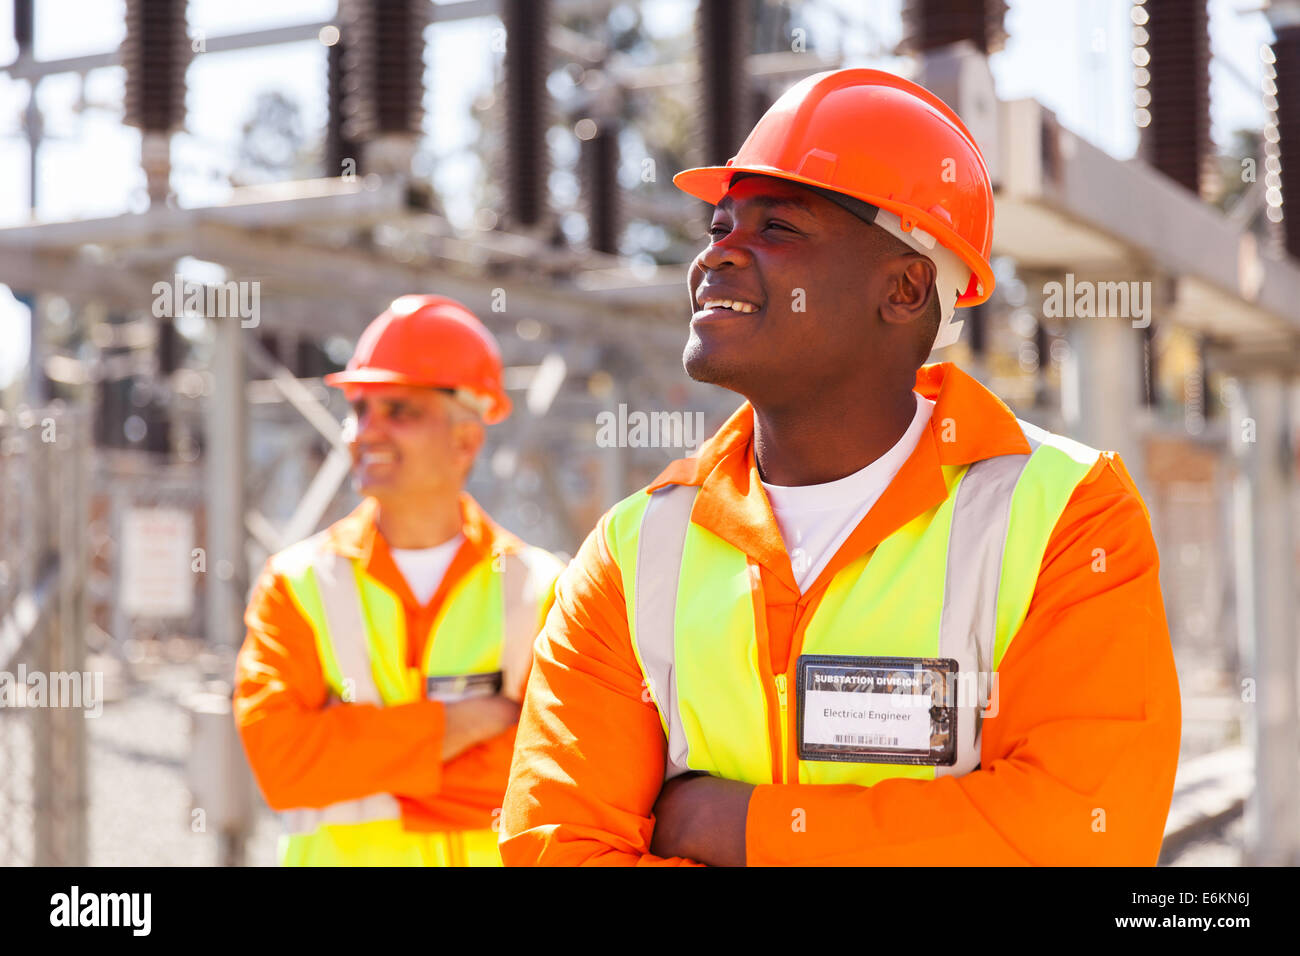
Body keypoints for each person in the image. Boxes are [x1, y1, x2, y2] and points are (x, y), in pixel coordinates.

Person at [500, 69, 1181, 866]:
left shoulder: (1066, 515)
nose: (716, 255)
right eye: (719, 227)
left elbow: (1076, 834)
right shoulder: (635, 550)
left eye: (778, 229)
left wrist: (738, 828)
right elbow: (557, 847)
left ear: (904, 287)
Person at [234, 294, 564, 866]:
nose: (367, 432)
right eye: (360, 410)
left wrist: (364, 750)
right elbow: (282, 765)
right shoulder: (295, 583)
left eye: (401, 411)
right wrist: (473, 722)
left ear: (467, 440)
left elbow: (555, 776)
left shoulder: (544, 588)